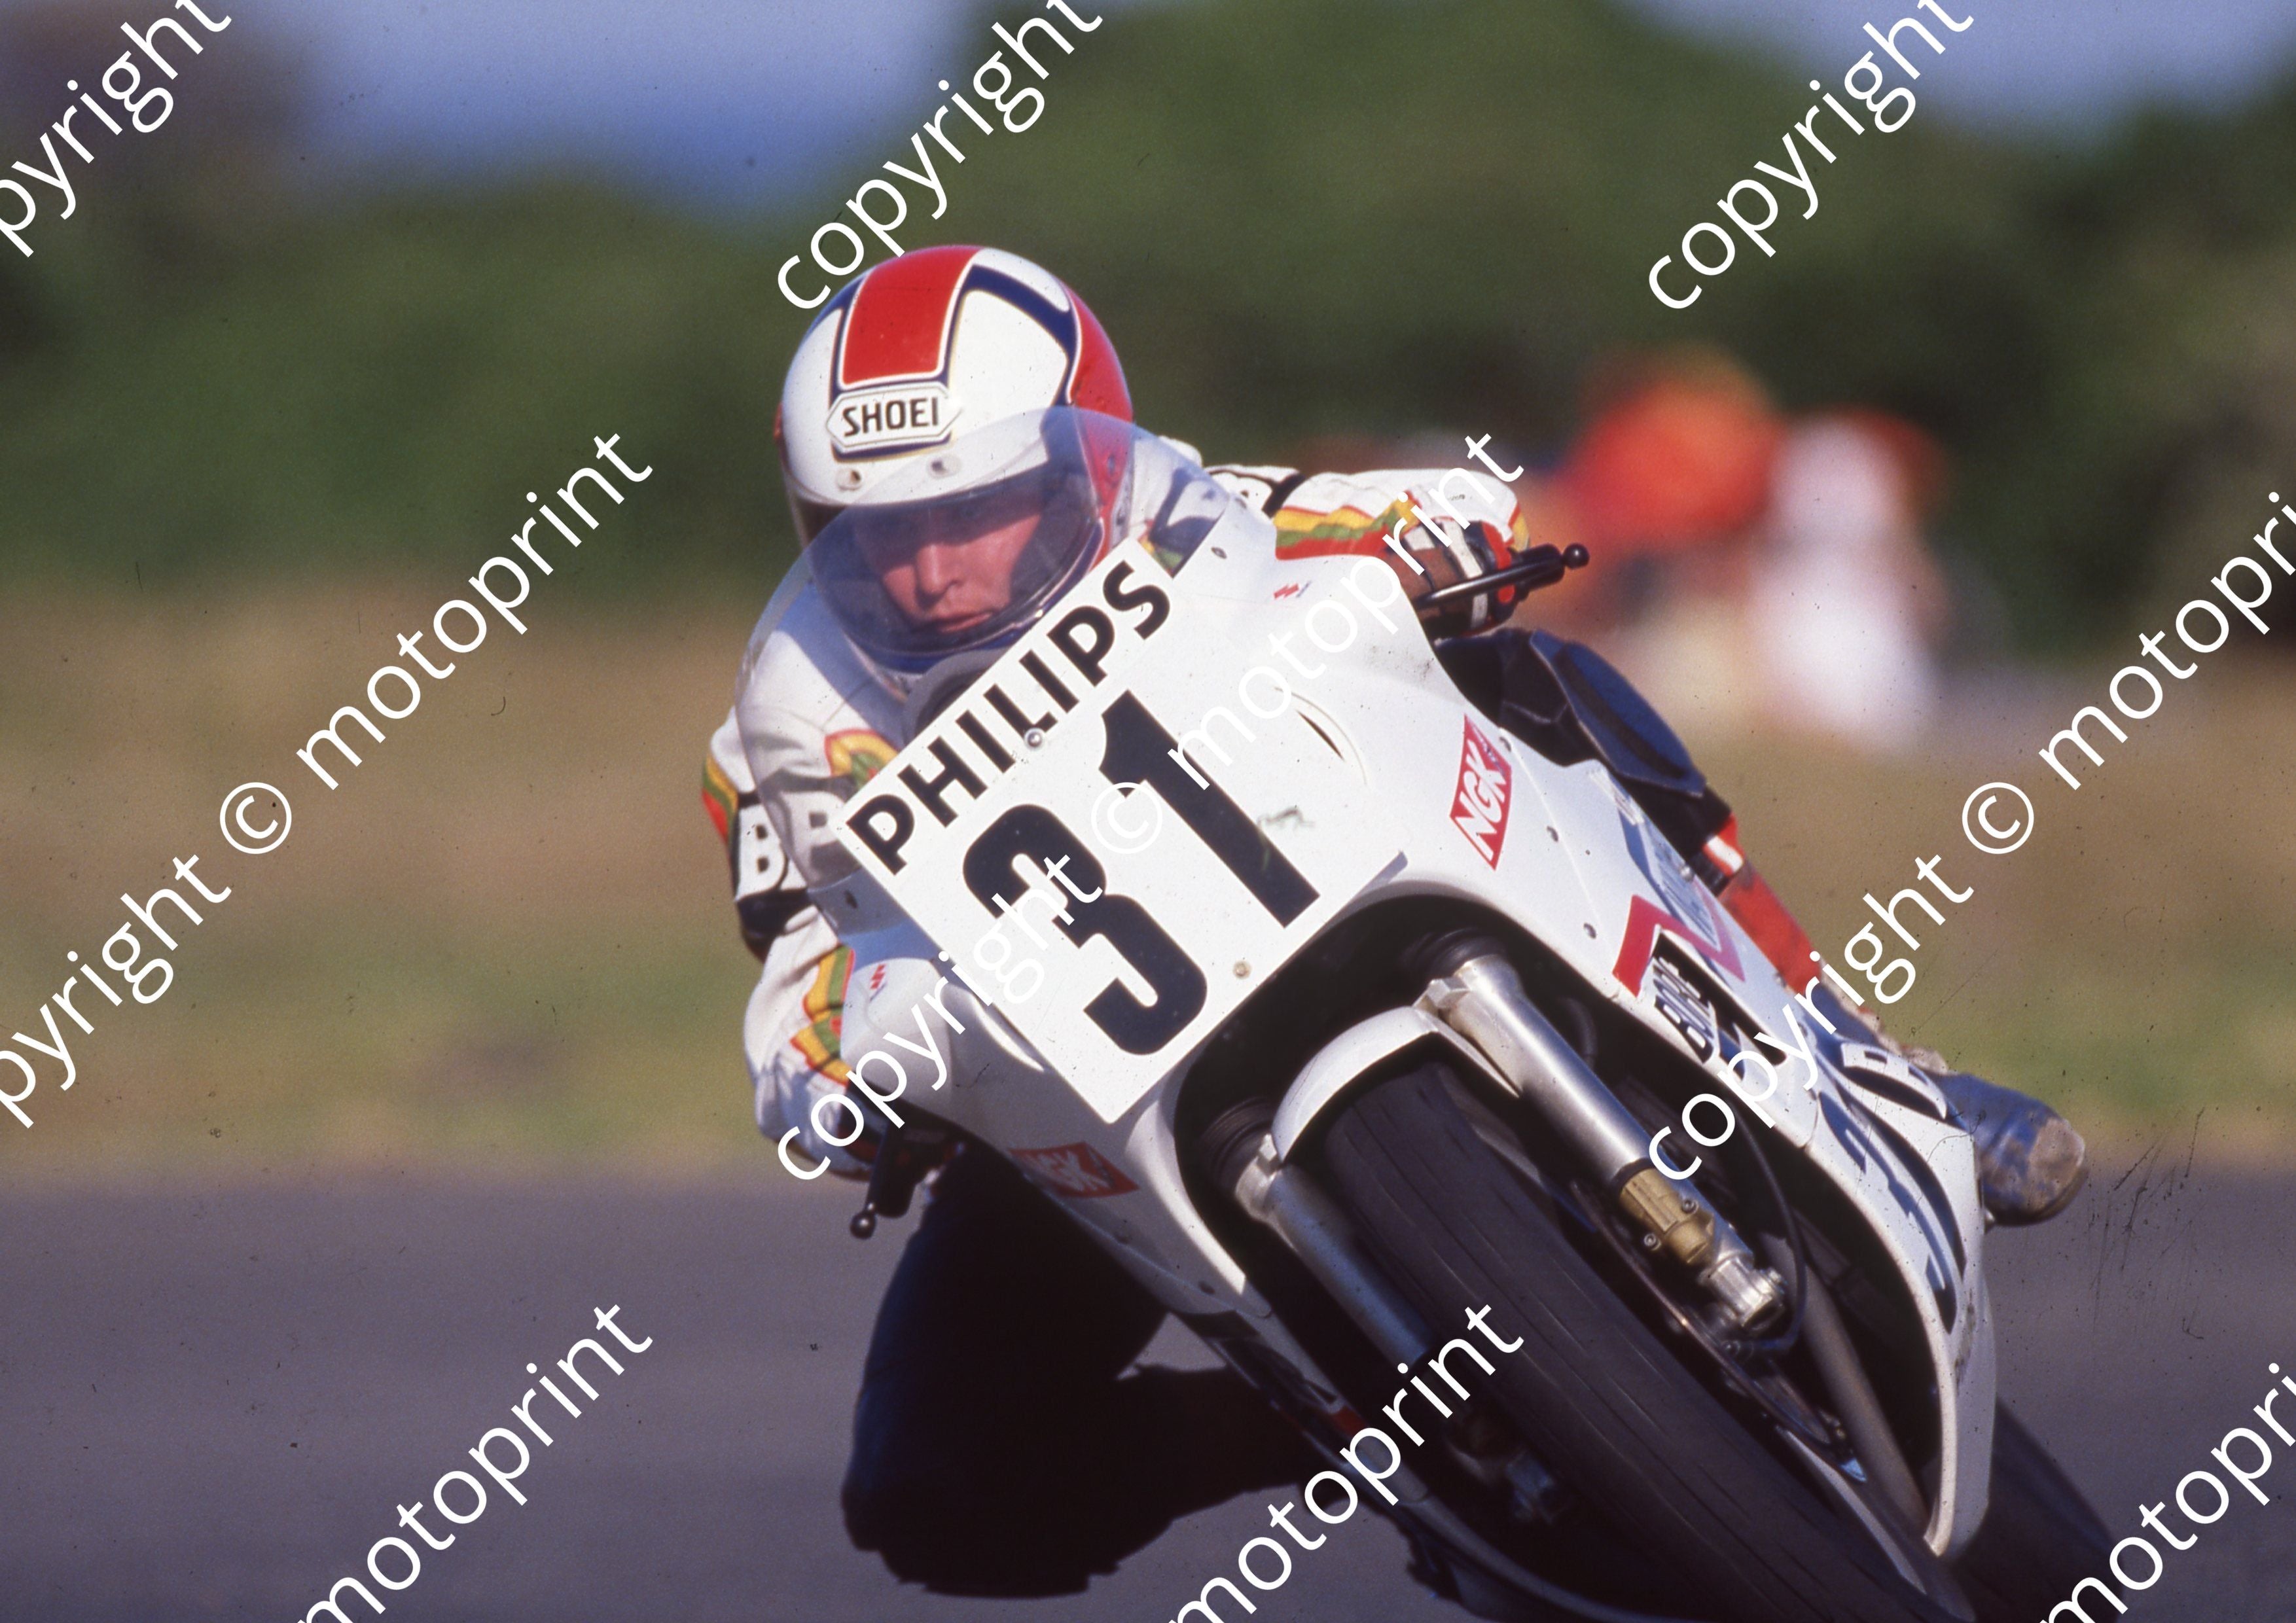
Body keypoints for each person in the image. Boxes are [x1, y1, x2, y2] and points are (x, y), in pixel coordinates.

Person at [699, 245, 2086, 1597]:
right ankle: (1328, 1420)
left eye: (974, 505)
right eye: (870, 531)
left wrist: (1448, 540)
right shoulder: (791, 734)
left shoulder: (1203, 515)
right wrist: (831, 1073)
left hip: (1355, 873)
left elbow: (1420, 507)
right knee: (922, 1490)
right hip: (1075, 1094)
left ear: (1087, 451)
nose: (929, 567)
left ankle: (1849, 1042)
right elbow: (810, 959)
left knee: (1527, 660)